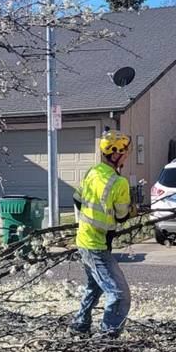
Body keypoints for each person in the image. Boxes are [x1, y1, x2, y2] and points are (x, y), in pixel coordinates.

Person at [71, 131, 134, 338]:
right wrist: (133, 210)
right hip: (96, 244)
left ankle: (80, 325)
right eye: (125, 152)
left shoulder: (92, 171)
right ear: (116, 154)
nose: (127, 156)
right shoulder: (119, 183)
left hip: (84, 239)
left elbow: (78, 199)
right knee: (119, 294)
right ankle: (107, 338)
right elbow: (123, 215)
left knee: (95, 285)